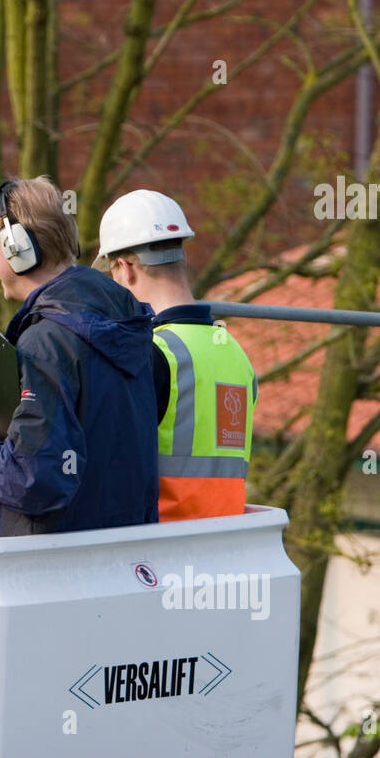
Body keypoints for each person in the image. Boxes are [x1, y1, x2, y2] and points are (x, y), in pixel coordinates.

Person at [0, 177, 159, 535]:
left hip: (48, 556)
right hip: (123, 549)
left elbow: (31, 482)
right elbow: (88, 422)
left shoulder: (45, 341)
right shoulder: (129, 324)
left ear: (19, 249)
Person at [95, 189, 257, 520]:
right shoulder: (237, 354)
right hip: (227, 540)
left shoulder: (150, 353)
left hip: (162, 542)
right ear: (181, 258)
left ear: (126, 268)